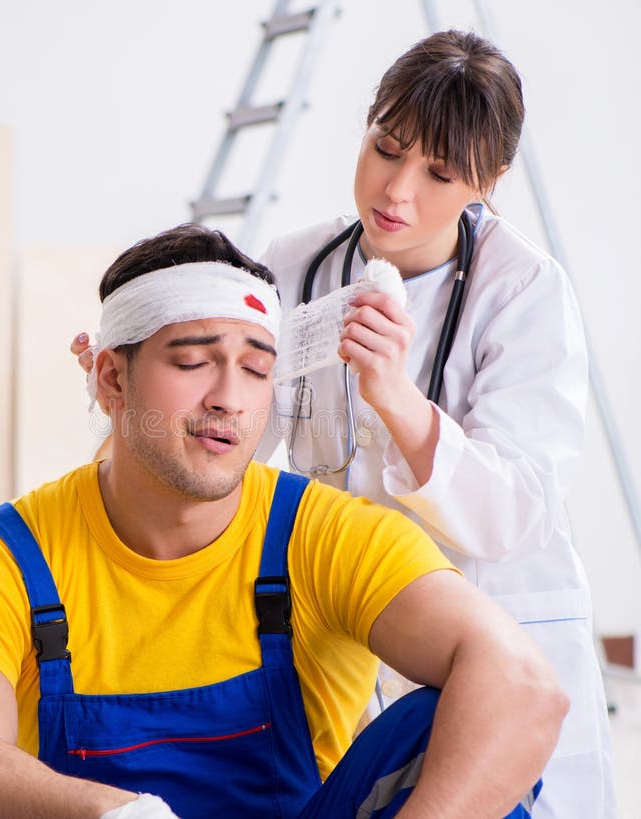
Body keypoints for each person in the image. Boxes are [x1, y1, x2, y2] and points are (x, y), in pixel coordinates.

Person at [71, 30, 614, 818]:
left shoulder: (524, 290)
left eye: (438, 172)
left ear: (488, 183)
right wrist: (126, 392)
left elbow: (514, 511)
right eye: (385, 147)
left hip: (488, 610)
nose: (396, 189)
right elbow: (221, 442)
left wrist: (395, 398)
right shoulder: (296, 265)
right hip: (343, 615)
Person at [0, 224, 567, 819]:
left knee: (455, 724)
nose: (230, 400)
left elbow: (526, 687)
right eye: (192, 361)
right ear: (111, 379)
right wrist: (117, 810)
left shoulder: (323, 536)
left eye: (254, 369)